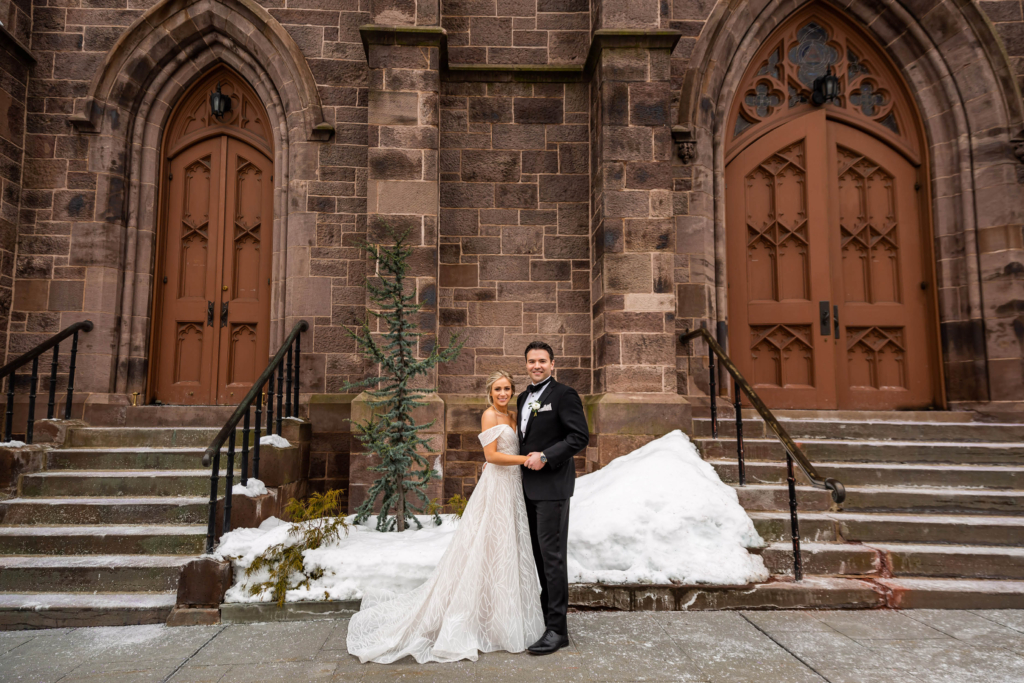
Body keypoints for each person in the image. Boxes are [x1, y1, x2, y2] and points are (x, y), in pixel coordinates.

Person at [346, 370, 544, 663]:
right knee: (486, 542)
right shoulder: (489, 416)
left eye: (506, 389)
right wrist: (525, 460)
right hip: (497, 486)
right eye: (497, 389)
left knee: (505, 547)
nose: (502, 394)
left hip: (512, 486)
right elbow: (490, 456)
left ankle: (500, 616)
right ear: (490, 392)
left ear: (512, 391)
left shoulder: (513, 418)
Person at [517, 341, 589, 655]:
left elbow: (578, 436)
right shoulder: (522, 397)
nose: (537, 365)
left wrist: (546, 456)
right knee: (538, 558)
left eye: (542, 361)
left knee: (552, 560)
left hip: (553, 489)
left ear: (553, 363)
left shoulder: (564, 395)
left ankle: (558, 631)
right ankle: (547, 620)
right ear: (526, 364)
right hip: (527, 489)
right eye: (532, 361)